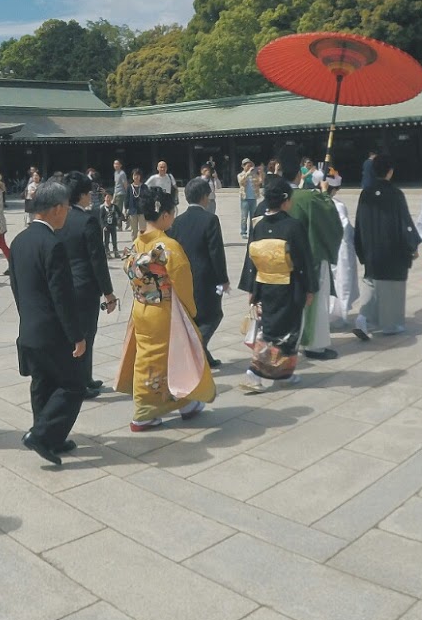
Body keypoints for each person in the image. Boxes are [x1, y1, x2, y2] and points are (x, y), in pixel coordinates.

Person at [115, 185, 215, 430]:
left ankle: (186, 403)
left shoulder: (137, 244)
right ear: (165, 215)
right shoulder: (168, 247)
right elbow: (181, 280)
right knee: (159, 359)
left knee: (155, 357)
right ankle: (144, 412)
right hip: (165, 309)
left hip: (141, 308)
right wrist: (190, 311)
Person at [7, 183, 86, 466]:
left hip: (29, 327)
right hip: (53, 332)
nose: (66, 213)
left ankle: (51, 437)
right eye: (65, 208)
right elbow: (62, 297)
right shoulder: (53, 245)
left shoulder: (18, 241)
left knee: (43, 384)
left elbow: (16, 288)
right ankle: (41, 435)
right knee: (73, 384)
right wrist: (76, 335)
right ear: (56, 209)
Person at [239, 176, 317, 392]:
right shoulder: (293, 226)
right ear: (285, 201)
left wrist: (253, 291)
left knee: (279, 331)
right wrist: (310, 288)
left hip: (266, 287)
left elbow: (251, 260)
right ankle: (253, 373)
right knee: (278, 333)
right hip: (289, 288)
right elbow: (304, 259)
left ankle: (284, 373)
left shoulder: (259, 226)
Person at [352, 154, 421, 340]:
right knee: (391, 287)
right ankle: (390, 325)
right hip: (392, 251)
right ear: (390, 171)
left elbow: (359, 223)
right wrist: (412, 244)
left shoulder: (365, 194)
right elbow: (405, 223)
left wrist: (361, 246)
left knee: (371, 282)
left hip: (371, 249)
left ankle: (363, 318)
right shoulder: (396, 194)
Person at [61, 172, 118, 396]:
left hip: (63, 285)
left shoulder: (58, 218)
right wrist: (109, 293)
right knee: (86, 335)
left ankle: (84, 377)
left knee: (70, 334)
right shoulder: (87, 220)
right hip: (84, 287)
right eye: (89, 193)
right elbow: (98, 260)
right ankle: (79, 383)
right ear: (83, 195)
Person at [170, 177, 229, 370]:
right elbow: (216, 252)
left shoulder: (177, 222)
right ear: (205, 197)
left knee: (192, 317)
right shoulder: (210, 219)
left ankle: (203, 354)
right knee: (213, 315)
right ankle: (196, 348)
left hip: (183, 278)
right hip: (206, 277)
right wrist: (223, 280)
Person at [287, 171, 342, 361]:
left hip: (280, 260)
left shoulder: (273, 196)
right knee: (316, 302)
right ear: (298, 174)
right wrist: (325, 194)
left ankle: (289, 342)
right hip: (310, 257)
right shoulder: (308, 197)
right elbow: (329, 219)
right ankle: (314, 345)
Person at [325, 170, 360, 329]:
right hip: (339, 250)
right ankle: (338, 314)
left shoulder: (317, 203)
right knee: (340, 281)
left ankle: (331, 314)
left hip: (326, 248)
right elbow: (345, 229)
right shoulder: (338, 206)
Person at [239, 159, 259, 239]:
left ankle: (252, 231)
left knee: (253, 216)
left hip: (253, 198)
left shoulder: (254, 175)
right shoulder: (241, 175)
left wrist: (260, 174)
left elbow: (259, 182)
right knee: (244, 216)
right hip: (245, 198)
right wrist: (247, 173)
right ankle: (243, 231)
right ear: (243, 166)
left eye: (250, 165)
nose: (250, 167)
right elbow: (241, 182)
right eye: (247, 165)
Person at [99, 190, 123, 258]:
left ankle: (116, 251)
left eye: (110, 197)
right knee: (106, 240)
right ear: (104, 198)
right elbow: (101, 218)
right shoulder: (103, 208)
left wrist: (123, 218)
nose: (108, 199)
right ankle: (107, 252)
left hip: (113, 225)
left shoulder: (114, 206)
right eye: (107, 197)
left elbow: (119, 213)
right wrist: (103, 226)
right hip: (106, 226)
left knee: (114, 239)